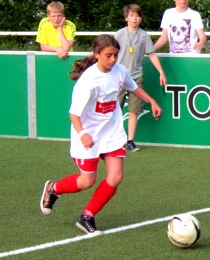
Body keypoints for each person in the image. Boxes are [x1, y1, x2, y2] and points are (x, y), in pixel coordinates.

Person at [39, 34, 163, 235]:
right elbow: (73, 114)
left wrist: (152, 102)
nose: (113, 60)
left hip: (112, 133)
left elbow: (133, 88)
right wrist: (83, 134)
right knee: (86, 181)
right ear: (97, 54)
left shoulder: (120, 71)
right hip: (88, 135)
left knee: (116, 176)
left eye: (116, 55)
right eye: (108, 56)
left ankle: (87, 216)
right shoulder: (88, 80)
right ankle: (54, 188)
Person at [115, 4, 168, 152]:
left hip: (136, 78)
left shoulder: (144, 36)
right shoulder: (119, 34)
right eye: (131, 16)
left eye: (137, 16)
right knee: (115, 110)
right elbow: (110, 53)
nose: (135, 19)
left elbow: (151, 54)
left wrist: (161, 72)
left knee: (134, 110)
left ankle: (130, 141)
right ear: (126, 17)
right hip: (119, 77)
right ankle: (114, 140)